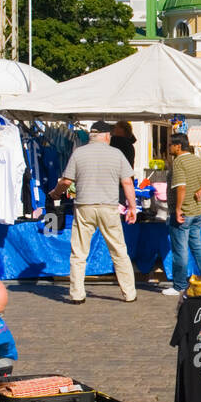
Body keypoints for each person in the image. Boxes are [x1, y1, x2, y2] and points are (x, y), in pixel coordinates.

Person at [47, 120, 140, 305]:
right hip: (109, 207)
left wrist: (55, 193)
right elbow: (127, 182)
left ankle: (77, 294)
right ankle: (129, 293)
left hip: (84, 206)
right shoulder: (117, 153)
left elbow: (66, 182)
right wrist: (132, 206)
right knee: (119, 251)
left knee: (79, 253)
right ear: (106, 136)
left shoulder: (78, 153)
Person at [163, 132, 201, 297]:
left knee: (180, 250)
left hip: (184, 212)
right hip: (197, 211)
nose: (169, 147)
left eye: (170, 144)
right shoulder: (196, 159)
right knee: (197, 246)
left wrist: (178, 209)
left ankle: (179, 285)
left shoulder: (179, 162)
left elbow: (181, 187)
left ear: (178, 146)